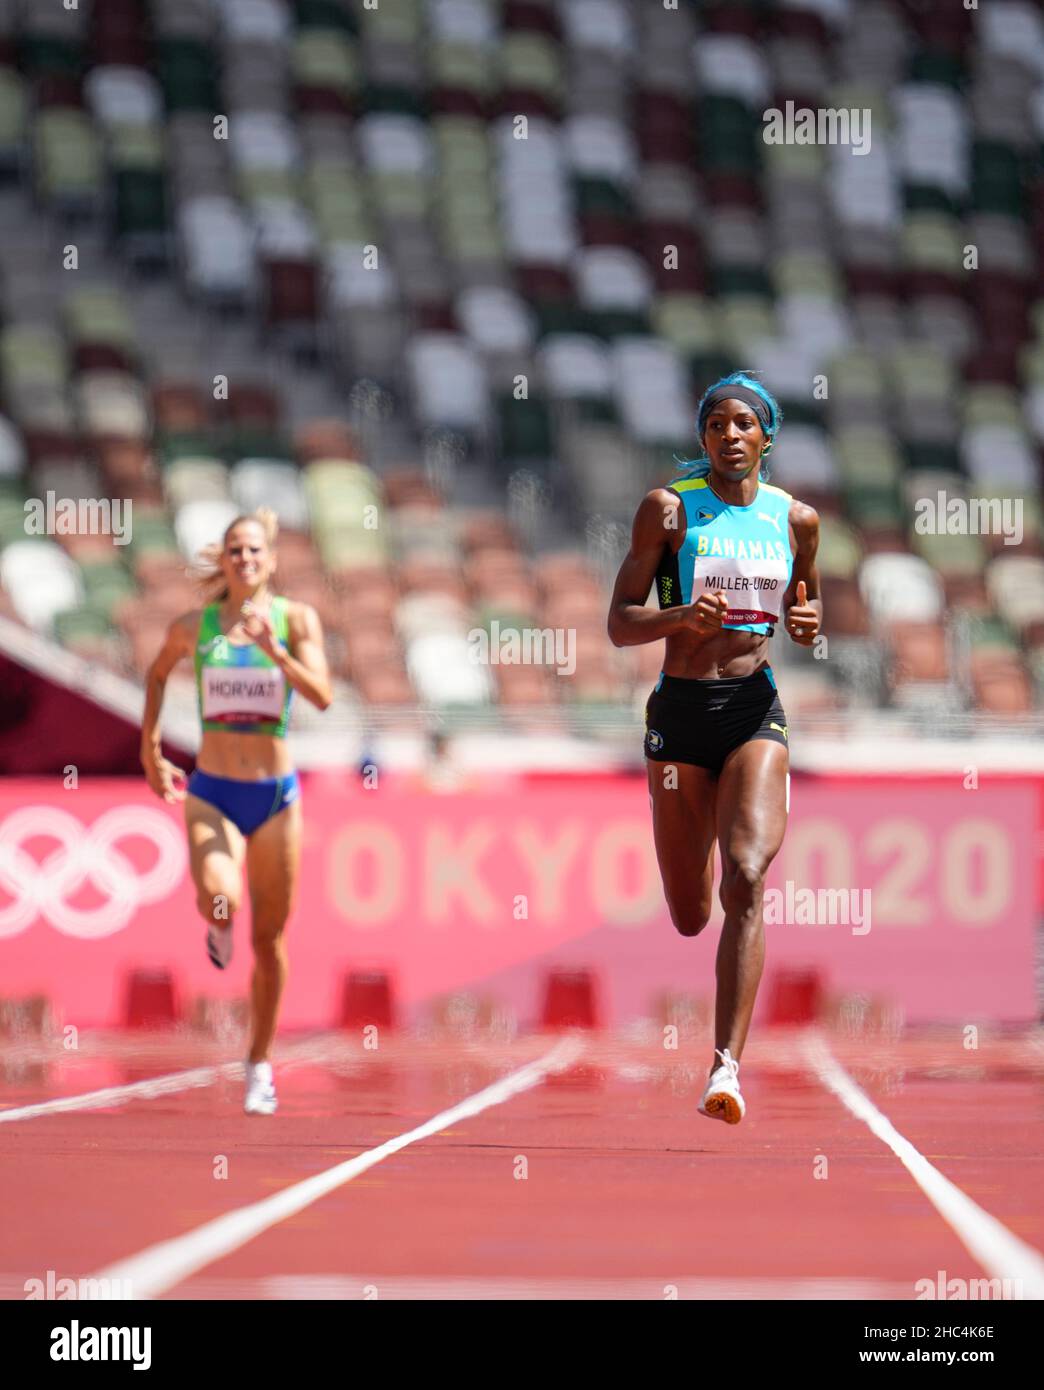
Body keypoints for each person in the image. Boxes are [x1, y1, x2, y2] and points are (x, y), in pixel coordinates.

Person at [608, 373, 822, 1124]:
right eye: (716, 426)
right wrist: (678, 617)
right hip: (678, 715)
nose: (729, 436)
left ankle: (726, 1068)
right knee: (692, 912)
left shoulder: (796, 520)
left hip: (753, 709)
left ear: (767, 437)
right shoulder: (668, 510)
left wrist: (807, 624)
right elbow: (620, 623)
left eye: (744, 424)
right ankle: (695, 856)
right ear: (702, 440)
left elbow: (805, 604)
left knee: (748, 876)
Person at [140, 509, 332, 1114]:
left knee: (270, 940)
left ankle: (258, 1062)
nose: (245, 559)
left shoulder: (296, 620)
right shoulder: (194, 626)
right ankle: (218, 919)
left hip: (276, 795)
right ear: (223, 562)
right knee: (221, 896)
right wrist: (149, 749)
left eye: (254, 550)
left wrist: (276, 651)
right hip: (215, 789)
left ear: (271, 560)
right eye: (235, 551)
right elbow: (155, 674)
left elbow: (322, 696)